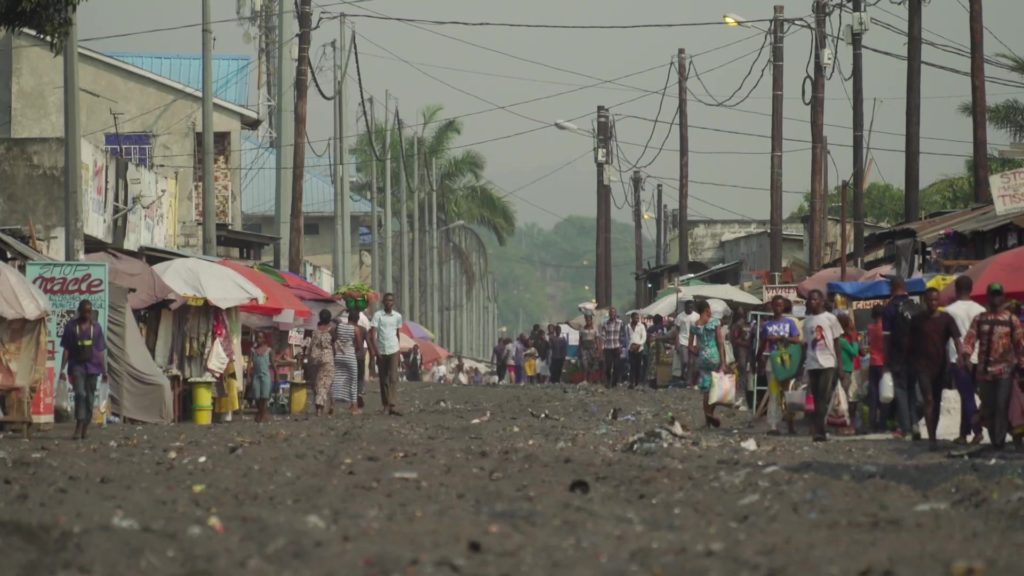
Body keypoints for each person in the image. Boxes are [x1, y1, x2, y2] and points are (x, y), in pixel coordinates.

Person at [962, 283, 1024, 450]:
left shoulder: (1011, 320)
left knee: (1002, 405)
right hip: (984, 372)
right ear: (988, 297)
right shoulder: (980, 319)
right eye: (993, 294)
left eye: (998, 294)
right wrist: (966, 354)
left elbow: (1020, 344)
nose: (996, 298)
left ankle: (999, 442)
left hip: (1004, 370)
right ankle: (995, 438)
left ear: (1002, 296)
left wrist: (1021, 366)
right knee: (988, 408)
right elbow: (970, 339)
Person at [908, 287, 961, 450]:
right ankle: (931, 439)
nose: (933, 303)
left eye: (935, 300)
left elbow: (957, 338)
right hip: (922, 366)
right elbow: (910, 343)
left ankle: (934, 433)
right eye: (930, 300)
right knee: (929, 399)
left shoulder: (946, 319)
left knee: (937, 402)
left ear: (939, 301)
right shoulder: (917, 320)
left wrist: (961, 356)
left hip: (940, 366)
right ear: (925, 301)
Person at [944, 276, 987, 445]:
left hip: (958, 359)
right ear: (971, 289)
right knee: (967, 396)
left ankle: (977, 431)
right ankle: (963, 433)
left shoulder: (949, 311)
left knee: (967, 396)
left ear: (956, 289)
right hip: (978, 358)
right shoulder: (980, 309)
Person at [59, 300, 107, 440]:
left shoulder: (96, 328)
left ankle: (85, 427)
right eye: (85, 311)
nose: (88, 314)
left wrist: (104, 371)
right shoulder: (71, 327)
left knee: (90, 398)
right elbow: (66, 349)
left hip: (93, 367)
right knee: (80, 394)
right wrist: (62, 368)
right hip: (77, 366)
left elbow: (100, 351)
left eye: (89, 311)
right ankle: (78, 426)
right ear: (79, 311)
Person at [802, 289, 843, 442]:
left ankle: (820, 430)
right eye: (810, 300)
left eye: (815, 299)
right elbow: (805, 345)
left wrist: (839, 366)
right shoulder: (807, 322)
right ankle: (819, 430)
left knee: (823, 397)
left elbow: (837, 342)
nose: (812, 302)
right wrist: (802, 367)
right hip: (812, 364)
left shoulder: (830, 319)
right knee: (816, 398)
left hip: (828, 363)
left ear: (821, 301)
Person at [883, 276, 922, 440]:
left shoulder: (890, 308)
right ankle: (915, 424)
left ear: (892, 288)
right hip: (915, 356)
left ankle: (905, 427)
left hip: (898, 357)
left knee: (901, 390)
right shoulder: (916, 307)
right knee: (913, 390)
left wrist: (887, 360)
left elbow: (886, 337)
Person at [757, 295, 801, 435]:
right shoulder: (767, 325)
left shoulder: (790, 323)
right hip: (773, 361)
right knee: (774, 393)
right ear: (772, 306)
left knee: (789, 393)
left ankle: (791, 424)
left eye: (780, 305)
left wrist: (782, 338)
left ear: (784, 307)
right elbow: (763, 343)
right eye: (776, 305)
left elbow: (796, 339)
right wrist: (757, 359)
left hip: (787, 361)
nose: (778, 308)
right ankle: (773, 425)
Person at [690, 300, 727, 428]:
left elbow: (690, 346)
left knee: (706, 389)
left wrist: (697, 352)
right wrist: (723, 362)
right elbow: (720, 343)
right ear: (706, 310)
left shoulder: (695, 325)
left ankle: (707, 419)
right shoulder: (715, 322)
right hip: (714, 357)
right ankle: (710, 413)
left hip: (702, 359)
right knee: (715, 388)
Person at [369, 293, 404, 416]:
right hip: (381, 350)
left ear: (393, 303)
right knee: (383, 379)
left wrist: (399, 352)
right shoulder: (378, 315)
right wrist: (375, 351)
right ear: (383, 302)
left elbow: (397, 334)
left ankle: (392, 404)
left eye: (391, 300)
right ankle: (385, 405)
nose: (389, 302)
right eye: (387, 300)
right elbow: (372, 334)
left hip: (393, 349)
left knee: (393, 378)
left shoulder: (397, 317)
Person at [331, 311, 363, 415]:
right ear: (357, 320)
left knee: (337, 380)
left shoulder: (339, 326)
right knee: (353, 381)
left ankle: (332, 405)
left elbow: (335, 339)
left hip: (339, 356)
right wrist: (354, 349)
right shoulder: (356, 329)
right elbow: (359, 345)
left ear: (348, 318)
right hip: (350, 356)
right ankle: (354, 407)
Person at [306, 309, 335, 417]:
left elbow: (309, 344)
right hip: (327, 359)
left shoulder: (314, 330)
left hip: (314, 359)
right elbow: (334, 345)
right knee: (324, 384)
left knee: (316, 384)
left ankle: (322, 407)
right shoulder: (331, 330)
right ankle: (320, 408)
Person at [837, 314, 862, 435]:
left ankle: (843, 425)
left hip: (844, 370)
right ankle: (846, 425)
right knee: (845, 399)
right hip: (846, 370)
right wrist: (854, 340)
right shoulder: (842, 341)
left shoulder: (838, 339)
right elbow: (854, 352)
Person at [866, 305, 888, 433]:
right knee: (885, 394)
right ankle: (882, 423)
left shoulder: (870, 328)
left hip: (873, 363)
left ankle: (872, 423)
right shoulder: (885, 329)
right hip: (883, 364)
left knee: (873, 395)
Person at [249, 332, 276, 423]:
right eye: (257, 338)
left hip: (265, 376)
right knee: (256, 396)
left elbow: (272, 363)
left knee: (264, 396)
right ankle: (260, 412)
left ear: (264, 339)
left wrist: (276, 375)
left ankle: (262, 415)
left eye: (260, 338)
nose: (258, 339)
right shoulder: (253, 350)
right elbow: (249, 364)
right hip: (256, 375)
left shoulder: (269, 350)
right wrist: (248, 376)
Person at [730, 311, 753, 409]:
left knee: (746, 369)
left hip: (747, 349)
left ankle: (743, 386)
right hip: (741, 349)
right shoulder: (736, 326)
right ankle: (741, 387)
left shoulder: (748, 325)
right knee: (742, 368)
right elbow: (735, 339)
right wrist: (746, 344)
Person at [674, 301, 700, 388]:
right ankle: (683, 373)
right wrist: (676, 343)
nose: (690, 309)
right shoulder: (680, 316)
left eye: (691, 307)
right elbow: (677, 330)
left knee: (691, 362)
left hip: (694, 342)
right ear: (685, 307)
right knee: (685, 361)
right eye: (688, 307)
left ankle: (689, 381)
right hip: (683, 341)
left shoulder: (697, 316)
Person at [600, 308, 625, 387]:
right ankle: (608, 380)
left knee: (616, 366)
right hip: (608, 347)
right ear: (609, 314)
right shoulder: (605, 323)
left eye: (613, 313)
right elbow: (603, 336)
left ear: (615, 314)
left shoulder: (620, 323)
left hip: (617, 346)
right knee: (608, 366)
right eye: (610, 313)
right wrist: (602, 346)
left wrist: (621, 346)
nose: (612, 314)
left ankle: (614, 383)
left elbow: (622, 335)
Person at [626, 312, 648, 388]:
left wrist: (639, 345)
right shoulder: (628, 326)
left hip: (639, 348)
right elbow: (628, 337)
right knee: (632, 366)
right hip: (631, 348)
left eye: (638, 318)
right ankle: (631, 382)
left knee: (638, 366)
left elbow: (644, 337)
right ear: (632, 318)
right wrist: (631, 346)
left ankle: (637, 382)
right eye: (636, 318)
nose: (637, 319)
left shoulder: (641, 326)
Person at [579, 315, 599, 382]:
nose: (588, 321)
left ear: (591, 320)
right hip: (584, 348)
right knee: (585, 364)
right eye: (587, 320)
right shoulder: (582, 329)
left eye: (589, 320)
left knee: (591, 363)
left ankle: (589, 379)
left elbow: (596, 339)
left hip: (592, 347)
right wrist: (580, 348)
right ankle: (584, 379)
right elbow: (580, 339)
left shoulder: (595, 328)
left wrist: (598, 348)